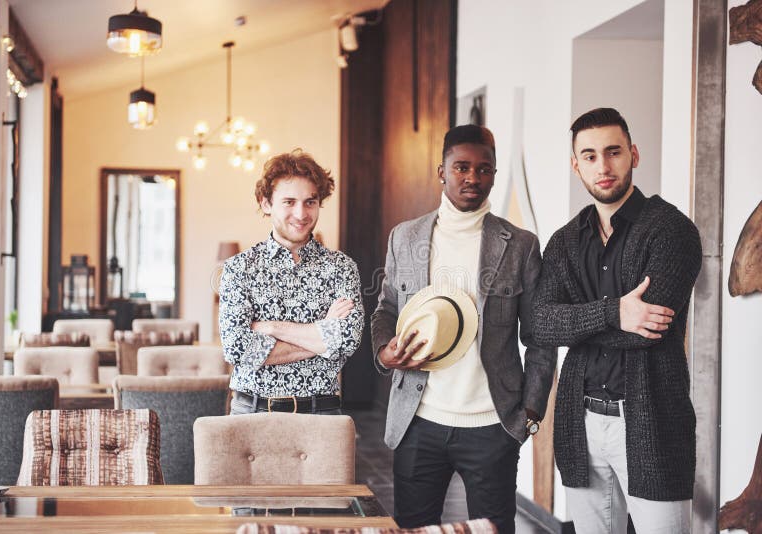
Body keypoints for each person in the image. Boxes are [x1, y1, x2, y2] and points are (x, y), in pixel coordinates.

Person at [370, 124, 556, 533]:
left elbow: (540, 337)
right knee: (415, 529)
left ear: (493, 173)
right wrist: (385, 349)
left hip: (492, 424)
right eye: (462, 168)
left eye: (484, 169)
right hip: (418, 422)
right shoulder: (406, 237)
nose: (473, 178)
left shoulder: (520, 244)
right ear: (442, 171)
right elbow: (385, 309)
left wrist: (529, 413)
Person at [532, 108, 702, 534]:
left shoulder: (671, 230)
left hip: (652, 421)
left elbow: (649, 331)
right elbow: (539, 325)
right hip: (580, 423)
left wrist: (577, 321)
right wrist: (615, 312)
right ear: (576, 165)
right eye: (589, 156)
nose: (603, 167)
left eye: (613, 152)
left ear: (634, 154)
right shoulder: (565, 241)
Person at [219, 149, 364, 415]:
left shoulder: (342, 267)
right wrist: (322, 334)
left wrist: (271, 328)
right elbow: (238, 349)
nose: (301, 213)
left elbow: (347, 340)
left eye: (310, 202)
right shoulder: (239, 269)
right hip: (253, 410)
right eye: (289, 202)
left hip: (321, 412)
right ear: (266, 203)